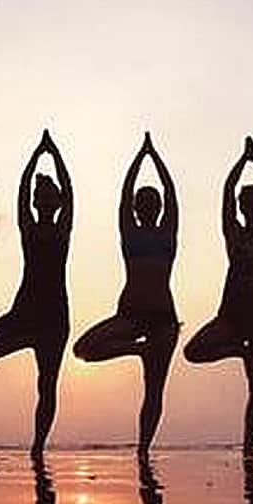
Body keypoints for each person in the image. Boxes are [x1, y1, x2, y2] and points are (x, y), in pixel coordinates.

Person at [0, 130, 73, 457]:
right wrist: (35, 159)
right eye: (40, 195)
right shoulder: (29, 227)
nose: (44, 199)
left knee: (47, 385)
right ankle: (25, 340)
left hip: (54, 317)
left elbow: (69, 192)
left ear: (56, 203)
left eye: (49, 196)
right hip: (23, 313)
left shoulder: (62, 229)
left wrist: (54, 155)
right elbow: (22, 194)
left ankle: (37, 447)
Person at [73, 133, 179, 456]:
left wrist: (154, 157)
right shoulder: (130, 233)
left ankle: (143, 450)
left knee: (154, 389)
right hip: (130, 316)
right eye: (142, 204)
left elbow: (172, 195)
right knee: (84, 348)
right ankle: (138, 351)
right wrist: (139, 159)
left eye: (153, 204)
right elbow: (124, 197)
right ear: (137, 208)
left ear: (158, 208)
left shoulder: (167, 233)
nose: (148, 208)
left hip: (163, 318)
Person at [184, 136, 253, 453]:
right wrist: (242, 162)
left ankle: (248, 447)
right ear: (243, 208)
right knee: (193, 351)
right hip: (231, 318)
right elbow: (227, 195)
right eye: (249, 204)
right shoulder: (235, 235)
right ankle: (239, 352)